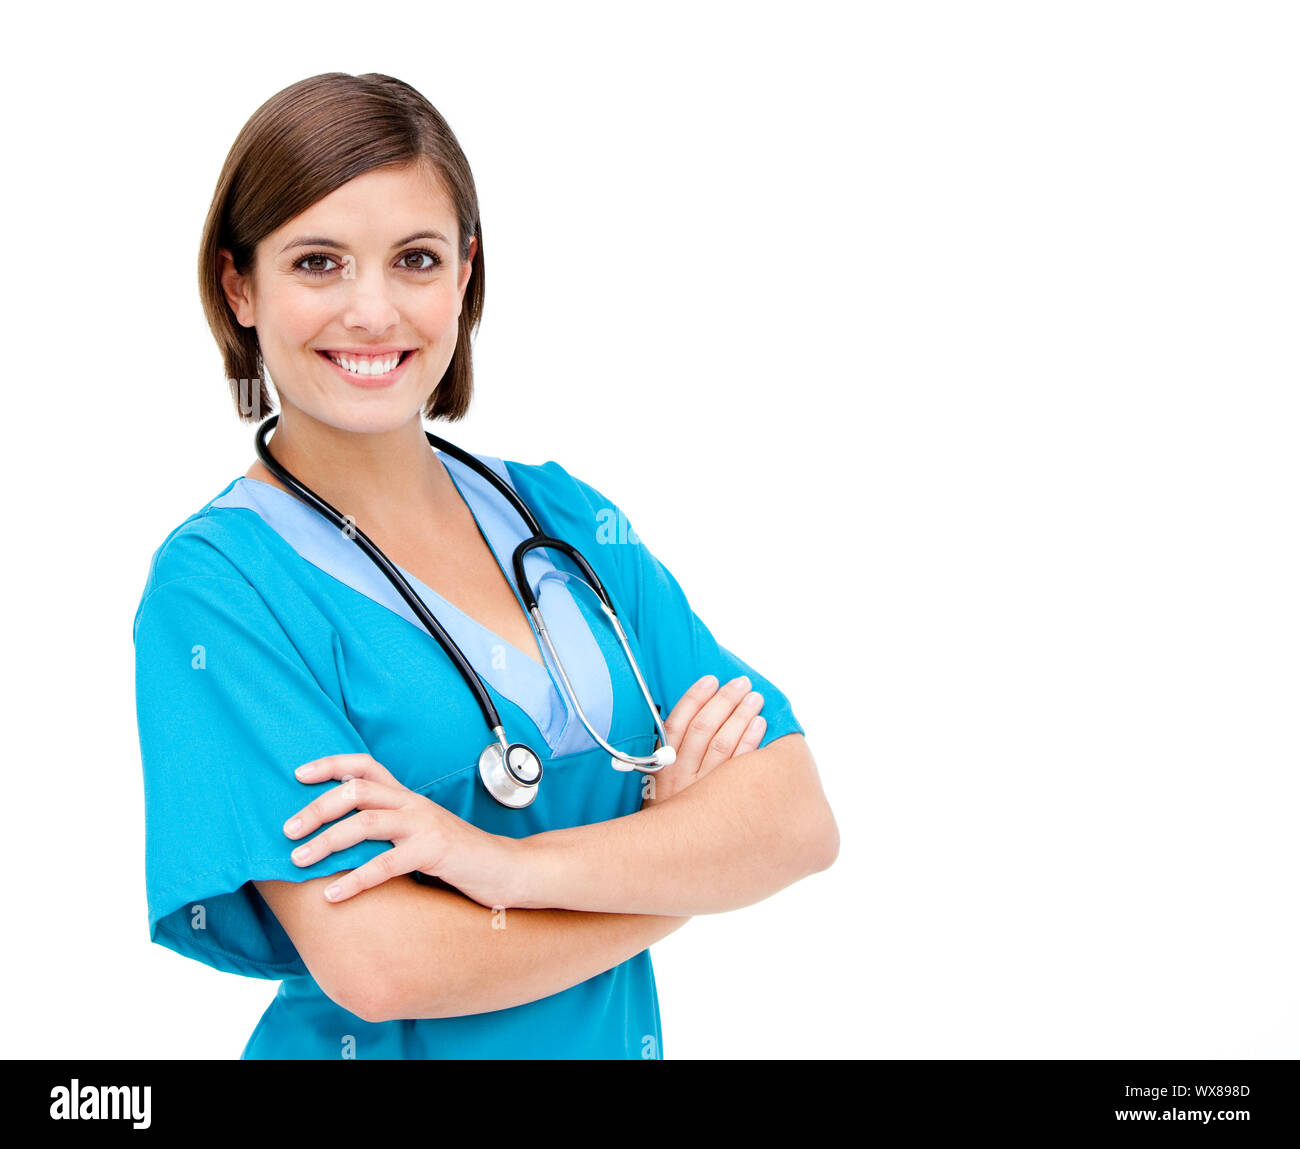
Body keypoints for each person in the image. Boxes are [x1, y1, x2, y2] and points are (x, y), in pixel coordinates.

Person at [133, 71, 839, 1060]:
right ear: (237, 285)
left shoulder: (563, 520)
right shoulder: (219, 589)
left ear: (465, 274)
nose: (372, 311)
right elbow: (380, 966)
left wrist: (497, 868)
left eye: (414, 259)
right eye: (318, 262)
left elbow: (797, 819)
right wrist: (676, 881)